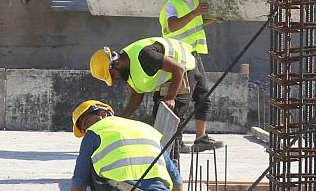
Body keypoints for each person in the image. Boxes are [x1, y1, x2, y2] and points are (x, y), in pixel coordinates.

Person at [66, 100, 183, 191]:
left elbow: (79, 181)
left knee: (92, 165)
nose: (88, 129)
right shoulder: (146, 129)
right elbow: (176, 179)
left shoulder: (95, 132)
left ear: (103, 114)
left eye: (87, 122)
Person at [88, 36, 224, 151]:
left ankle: (179, 150)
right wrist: (122, 119)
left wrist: (171, 97)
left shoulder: (145, 56)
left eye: (112, 75)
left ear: (116, 64)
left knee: (174, 110)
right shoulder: (126, 71)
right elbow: (136, 95)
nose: (114, 80)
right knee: (160, 112)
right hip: (171, 73)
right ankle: (173, 147)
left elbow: (178, 69)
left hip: (184, 63)